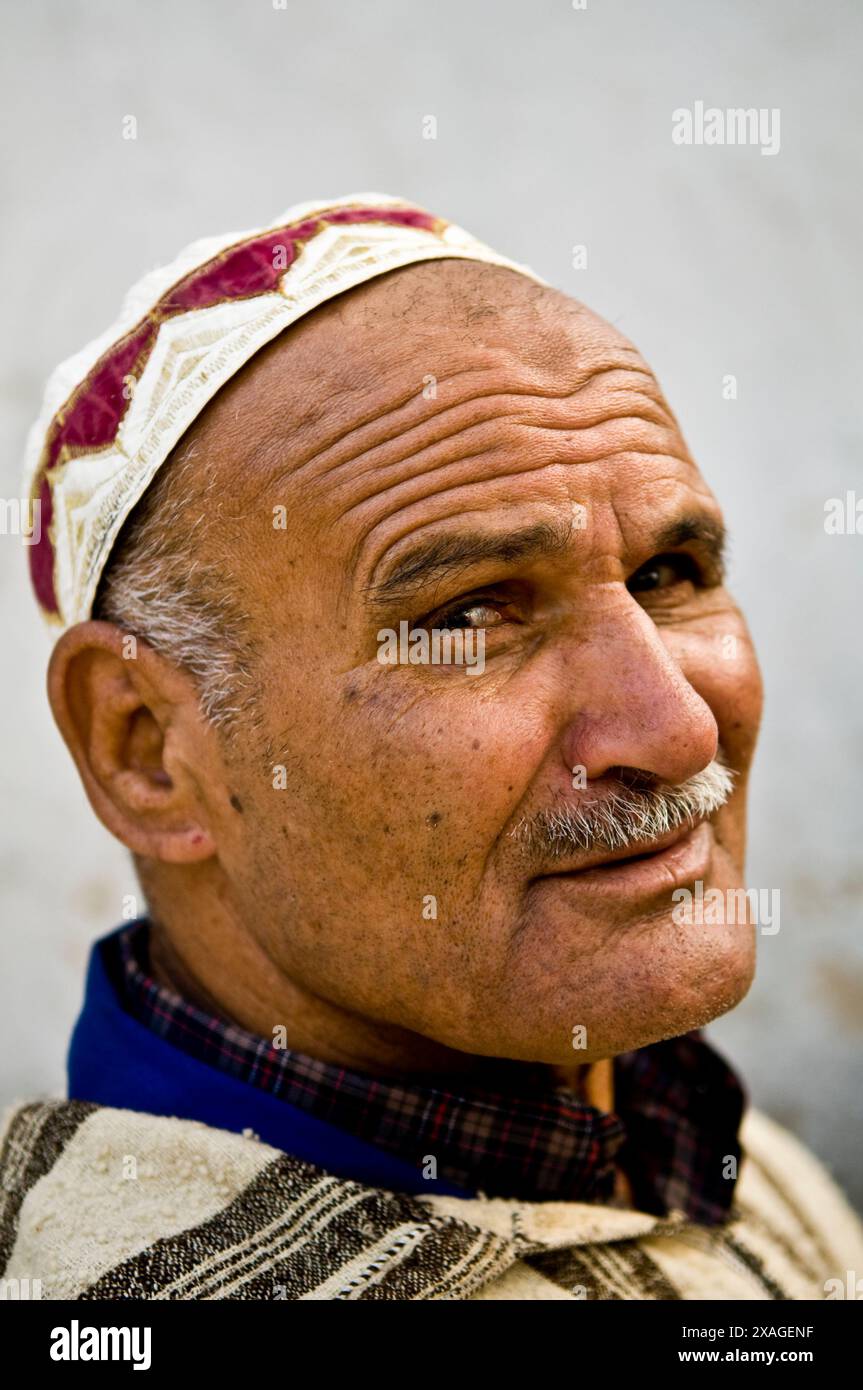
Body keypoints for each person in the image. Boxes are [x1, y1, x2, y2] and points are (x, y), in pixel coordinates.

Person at [2, 193, 860, 1300]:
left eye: (667, 575)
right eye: (465, 617)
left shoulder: (666, 1130)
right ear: (147, 747)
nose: (678, 726)